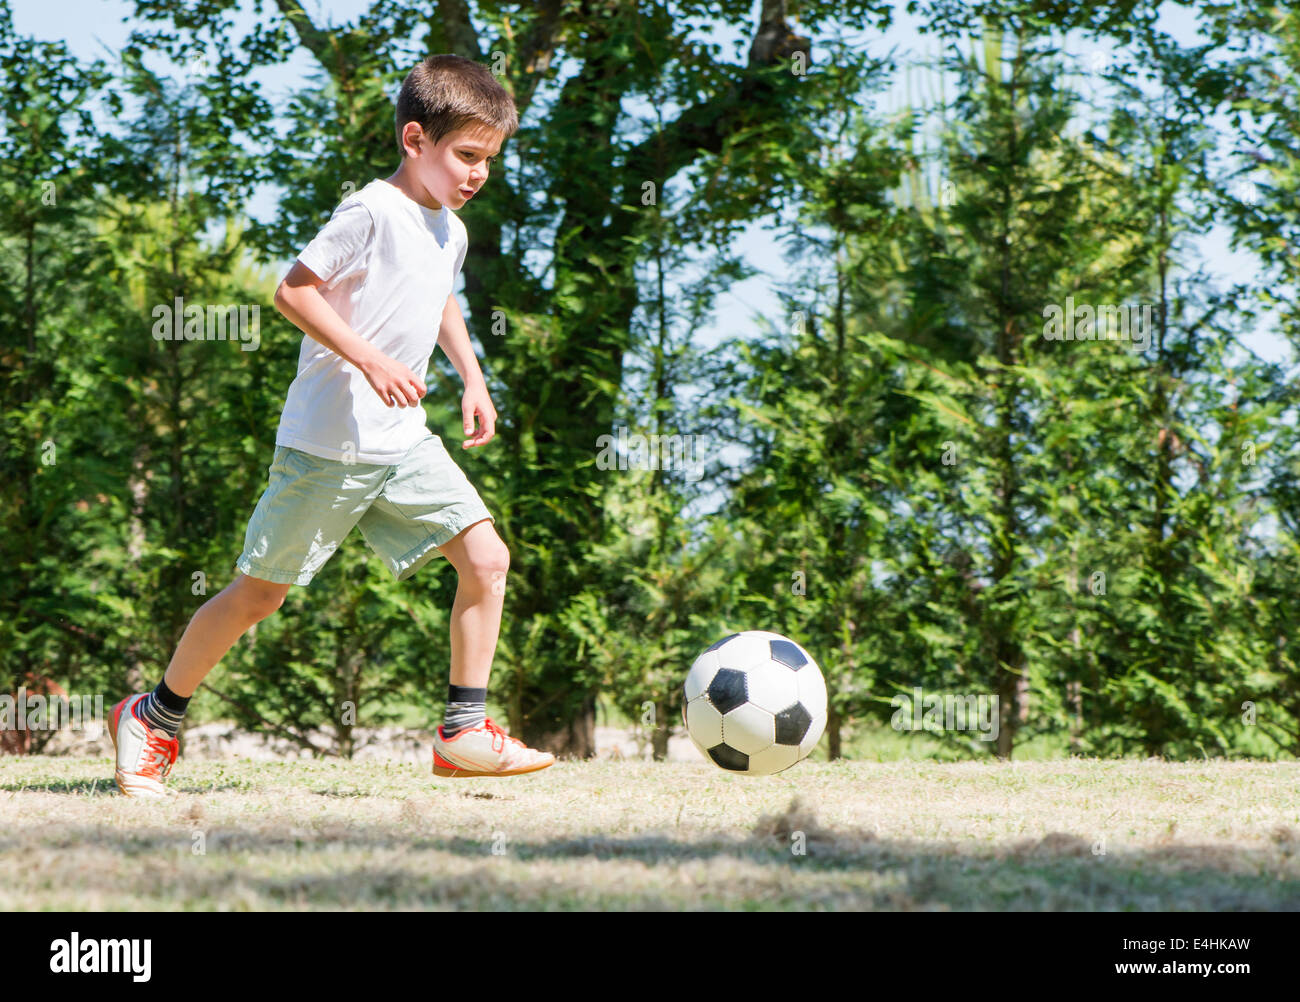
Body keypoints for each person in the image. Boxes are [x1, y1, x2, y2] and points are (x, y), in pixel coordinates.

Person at [109, 54, 554, 797]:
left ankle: (462, 732)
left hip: (403, 441)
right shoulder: (370, 210)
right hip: (329, 442)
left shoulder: (452, 230)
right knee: (259, 594)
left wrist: (472, 377)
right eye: (467, 156)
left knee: (487, 560)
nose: (478, 173)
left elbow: (440, 298)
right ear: (416, 140)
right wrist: (373, 361)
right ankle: (153, 717)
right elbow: (295, 291)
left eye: (489, 160)